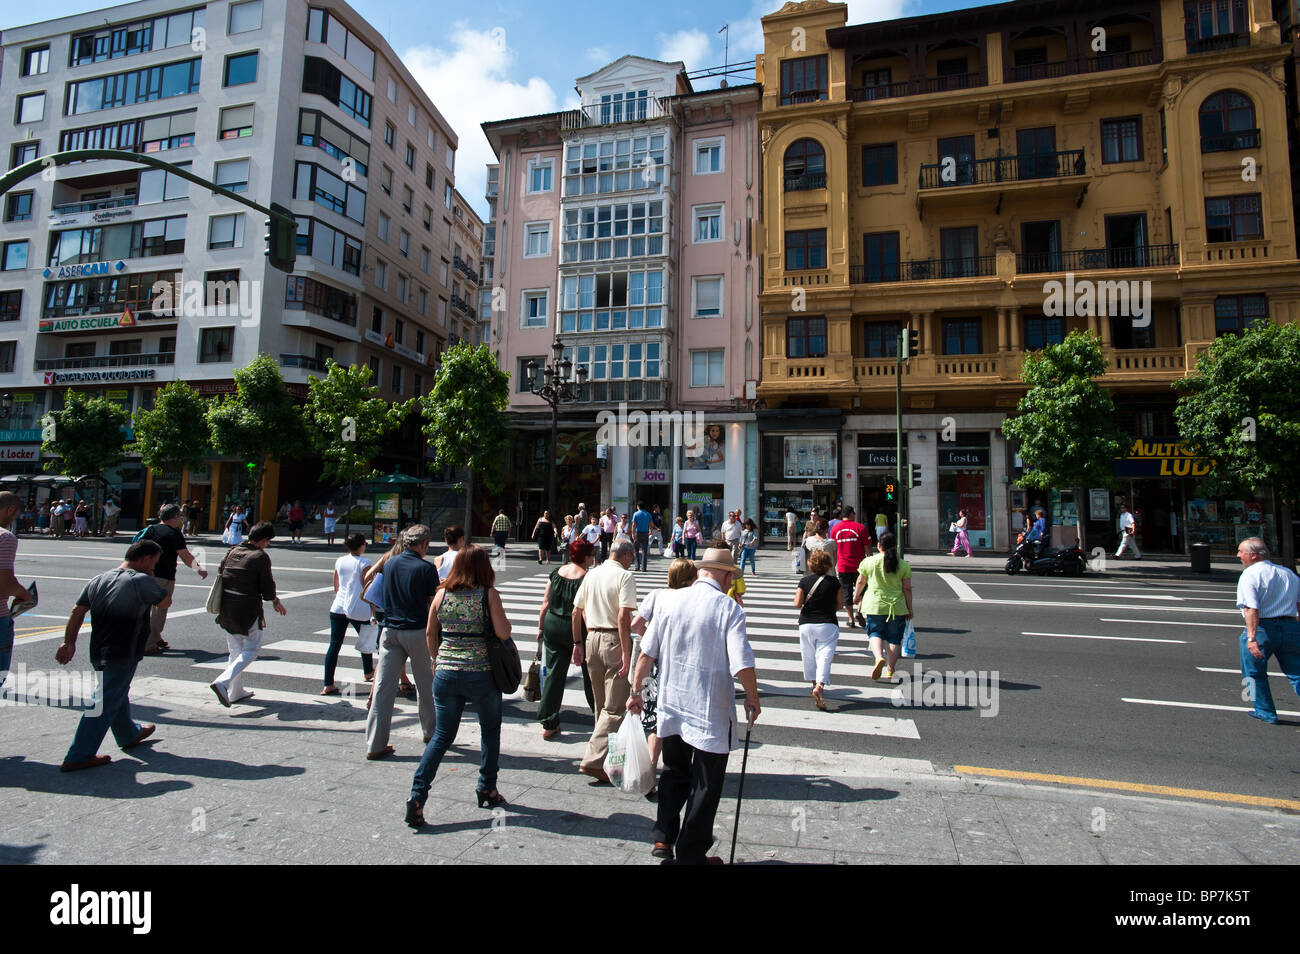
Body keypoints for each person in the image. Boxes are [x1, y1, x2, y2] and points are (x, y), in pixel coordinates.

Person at [628, 546, 760, 865]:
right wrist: (753, 697)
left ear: (701, 571)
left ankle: (663, 836)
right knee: (705, 782)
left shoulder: (670, 601)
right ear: (726, 577)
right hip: (710, 710)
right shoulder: (728, 608)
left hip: (672, 704)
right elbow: (741, 662)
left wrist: (635, 691)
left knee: (674, 771)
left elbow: (646, 653)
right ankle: (691, 853)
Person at [405, 544, 512, 827]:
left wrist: (436, 658)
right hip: (481, 673)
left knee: (441, 736)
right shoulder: (488, 595)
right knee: (490, 730)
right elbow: (503, 633)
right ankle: (487, 787)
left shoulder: (442, 594)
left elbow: (431, 633)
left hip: (446, 673)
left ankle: (417, 795)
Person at [54, 539, 171, 772]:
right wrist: (153, 579)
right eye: (154, 562)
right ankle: (79, 755)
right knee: (105, 698)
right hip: (123, 649)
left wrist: (69, 642)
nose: (153, 567)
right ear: (145, 558)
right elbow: (165, 601)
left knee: (116, 690)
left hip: (98, 649)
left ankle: (129, 733)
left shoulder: (99, 579)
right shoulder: (141, 580)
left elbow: (77, 610)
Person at [364, 525, 439, 759]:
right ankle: (430, 733)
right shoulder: (426, 568)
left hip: (390, 631)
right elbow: (433, 605)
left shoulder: (390, 564)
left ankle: (375, 744)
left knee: (383, 688)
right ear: (424, 544)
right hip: (416, 631)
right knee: (426, 685)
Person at [630, 557, 698, 797]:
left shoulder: (656, 595)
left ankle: (650, 770)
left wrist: (654, 638)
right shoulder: (692, 600)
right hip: (678, 664)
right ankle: (664, 769)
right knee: (671, 716)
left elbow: (636, 624)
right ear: (690, 580)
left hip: (653, 664)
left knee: (653, 716)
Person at [571, 537, 637, 783]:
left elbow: (576, 611)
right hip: (613, 640)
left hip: (592, 638)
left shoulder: (591, 574)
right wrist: (627, 652)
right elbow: (623, 617)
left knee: (602, 706)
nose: (632, 561)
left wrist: (580, 641)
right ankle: (594, 761)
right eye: (631, 557)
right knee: (615, 707)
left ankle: (611, 761)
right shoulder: (625, 576)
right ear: (626, 555)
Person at [209, 521, 286, 706]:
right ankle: (223, 682)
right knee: (252, 649)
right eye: (268, 541)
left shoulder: (232, 551)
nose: (268, 544)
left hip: (227, 606)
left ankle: (235, 692)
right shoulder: (260, 556)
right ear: (264, 539)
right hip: (247, 607)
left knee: (235, 650)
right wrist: (275, 601)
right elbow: (267, 587)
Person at [1235, 537, 1300, 724]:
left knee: (1253, 673)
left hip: (1263, 628)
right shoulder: (1288, 574)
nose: (1238, 555)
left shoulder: (1249, 575)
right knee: (1297, 673)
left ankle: (1264, 711)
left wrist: (1251, 638)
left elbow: (1251, 609)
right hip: (1291, 626)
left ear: (1253, 555)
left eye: (1241, 552)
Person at [537, 539, 595, 740]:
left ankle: (549, 722)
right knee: (590, 673)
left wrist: (540, 627)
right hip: (576, 628)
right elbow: (585, 611)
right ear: (585, 557)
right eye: (591, 555)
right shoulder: (587, 577)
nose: (593, 558)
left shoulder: (556, 573)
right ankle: (599, 716)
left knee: (554, 673)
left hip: (553, 624)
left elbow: (545, 603)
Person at [142, 504, 208, 655]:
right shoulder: (174, 533)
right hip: (164, 575)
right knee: (159, 610)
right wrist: (199, 569)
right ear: (175, 517)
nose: (180, 519)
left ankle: (154, 637)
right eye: (179, 516)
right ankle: (149, 644)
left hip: (147, 573)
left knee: (147, 609)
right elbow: (185, 555)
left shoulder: (151, 529)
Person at [852, 531, 914, 682]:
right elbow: (907, 589)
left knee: (875, 633)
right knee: (894, 639)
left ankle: (879, 657)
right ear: (895, 546)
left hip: (875, 605)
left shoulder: (869, 562)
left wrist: (856, 596)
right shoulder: (903, 565)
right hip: (897, 606)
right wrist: (910, 608)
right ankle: (890, 669)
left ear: (879, 545)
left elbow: (860, 581)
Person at [323, 532, 374, 695]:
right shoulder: (364, 563)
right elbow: (367, 587)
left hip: (338, 606)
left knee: (334, 644)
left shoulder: (340, 560)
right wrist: (373, 608)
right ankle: (368, 672)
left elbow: (336, 584)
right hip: (358, 607)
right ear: (361, 545)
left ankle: (328, 683)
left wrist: (341, 597)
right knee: (366, 640)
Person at [795, 549, 842, 711]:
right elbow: (840, 605)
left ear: (811, 564)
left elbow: (797, 603)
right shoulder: (835, 582)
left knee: (808, 655)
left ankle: (814, 684)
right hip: (828, 623)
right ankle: (820, 686)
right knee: (824, 656)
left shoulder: (804, 581)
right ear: (828, 565)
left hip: (807, 623)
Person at [0, 492, 34, 683]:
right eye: (16, 513)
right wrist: (25, 594)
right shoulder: (5, 537)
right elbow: (4, 583)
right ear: (10, 509)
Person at [831, 506, 869, 628]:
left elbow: (833, 548)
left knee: (846, 593)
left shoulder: (835, 529)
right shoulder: (861, 528)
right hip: (860, 566)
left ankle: (851, 619)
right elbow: (868, 548)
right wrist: (869, 560)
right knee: (863, 590)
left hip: (843, 566)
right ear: (852, 514)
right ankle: (859, 611)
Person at [632, 501, 653, 572]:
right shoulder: (648, 514)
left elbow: (633, 525)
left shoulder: (636, 514)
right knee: (644, 551)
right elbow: (651, 524)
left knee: (636, 550)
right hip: (645, 533)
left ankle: (637, 566)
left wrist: (633, 533)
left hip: (637, 533)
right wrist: (650, 531)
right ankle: (644, 567)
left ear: (638, 506)